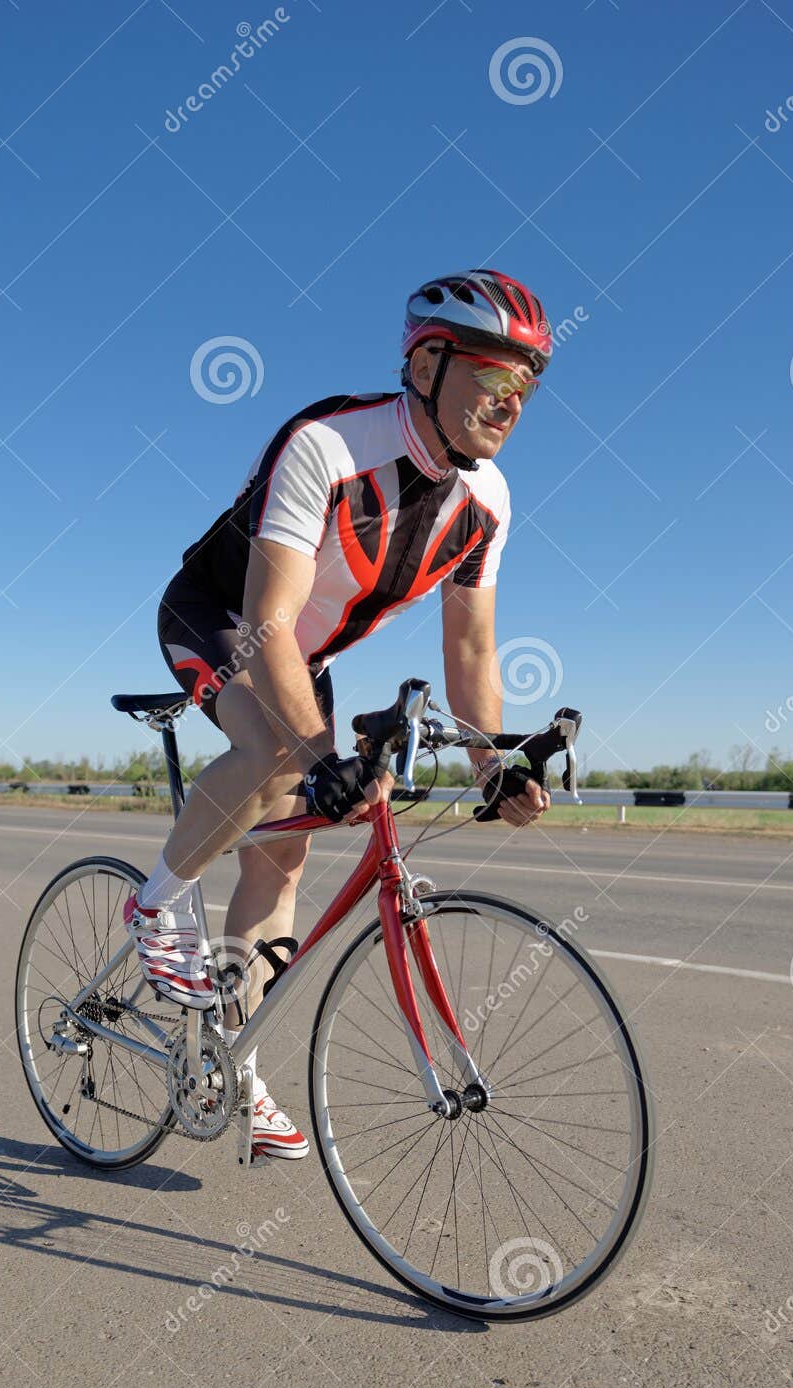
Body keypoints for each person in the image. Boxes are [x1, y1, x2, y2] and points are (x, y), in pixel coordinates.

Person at [127, 269, 554, 1158]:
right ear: (428, 366)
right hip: (223, 618)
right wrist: (320, 756)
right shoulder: (327, 444)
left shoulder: (489, 502)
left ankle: (236, 1070)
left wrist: (493, 763)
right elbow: (268, 617)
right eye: (492, 375)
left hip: (300, 659)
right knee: (270, 755)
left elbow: (473, 650)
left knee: (281, 865)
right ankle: (155, 905)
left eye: (527, 383)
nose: (511, 400)